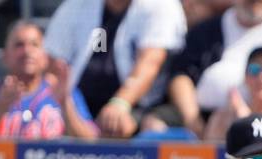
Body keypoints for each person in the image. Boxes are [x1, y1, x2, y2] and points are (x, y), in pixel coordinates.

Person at [43, 0, 187, 138]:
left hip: (140, 106)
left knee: (121, 125)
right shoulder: (76, 5)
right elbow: (52, 62)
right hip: (79, 103)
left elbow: (150, 63)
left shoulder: (161, 5)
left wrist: (120, 103)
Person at [140, 0, 262, 137]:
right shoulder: (206, 30)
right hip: (202, 118)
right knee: (153, 124)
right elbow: (181, 75)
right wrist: (193, 119)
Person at [0, 20, 99, 139]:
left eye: (35, 44)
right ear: (5, 56)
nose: (27, 51)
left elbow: (91, 142)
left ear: (45, 57)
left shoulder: (65, 93)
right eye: (19, 45)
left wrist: (65, 104)